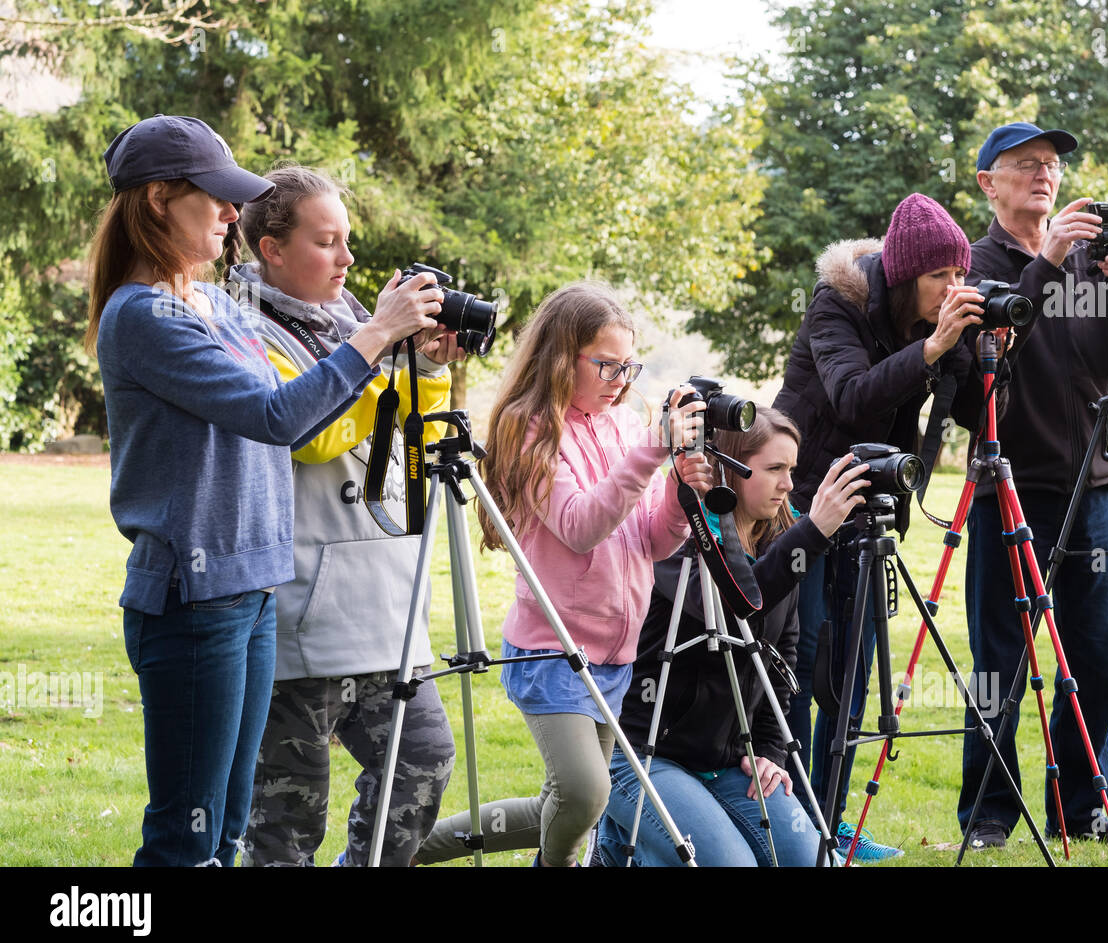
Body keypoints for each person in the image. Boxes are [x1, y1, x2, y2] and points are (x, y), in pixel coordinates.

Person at [88, 115, 441, 866]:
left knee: (228, 829)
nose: (229, 213)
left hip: (251, 591)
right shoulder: (144, 316)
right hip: (192, 597)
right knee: (185, 834)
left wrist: (400, 354)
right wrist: (374, 336)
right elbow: (279, 417)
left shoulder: (217, 306)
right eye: (214, 196)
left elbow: (315, 397)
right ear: (157, 200)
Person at [414, 282, 712, 867]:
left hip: (615, 650)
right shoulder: (530, 429)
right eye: (605, 365)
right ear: (560, 356)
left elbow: (651, 541)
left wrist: (678, 494)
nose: (620, 379)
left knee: (571, 800)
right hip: (552, 645)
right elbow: (578, 526)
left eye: (629, 366)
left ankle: (405, 848)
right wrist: (652, 454)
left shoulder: (624, 426)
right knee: (583, 792)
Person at [228, 166, 463, 866]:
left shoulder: (358, 326)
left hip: (386, 601)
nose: (348, 259)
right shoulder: (240, 328)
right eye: (326, 242)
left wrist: (428, 369)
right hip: (302, 606)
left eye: (348, 241)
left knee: (424, 764)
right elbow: (311, 435)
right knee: (285, 826)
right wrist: (379, 351)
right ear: (271, 248)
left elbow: (406, 450)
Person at [958, 122, 1108, 849]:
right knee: (1000, 667)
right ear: (989, 182)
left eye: (1050, 166)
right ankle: (988, 816)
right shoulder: (972, 265)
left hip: (1094, 490)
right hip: (1009, 488)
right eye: (1025, 166)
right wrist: (1044, 265)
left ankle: (1079, 808)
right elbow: (987, 363)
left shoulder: (1092, 262)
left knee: (1096, 669)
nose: (1044, 176)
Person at [772, 192, 992, 861]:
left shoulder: (934, 324)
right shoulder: (834, 304)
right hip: (801, 503)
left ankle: (829, 825)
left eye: (961, 277)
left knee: (852, 673)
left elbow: (980, 424)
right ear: (903, 278)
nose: (953, 289)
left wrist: (986, 355)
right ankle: (787, 828)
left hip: (867, 511)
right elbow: (854, 396)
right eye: (939, 279)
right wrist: (934, 345)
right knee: (802, 665)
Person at [596, 407, 874, 866]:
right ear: (732, 470)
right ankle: (616, 844)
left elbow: (781, 663)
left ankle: (650, 836)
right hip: (644, 755)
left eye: (792, 470)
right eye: (774, 469)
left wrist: (767, 751)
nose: (788, 484)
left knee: (809, 861)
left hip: (726, 760)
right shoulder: (682, 536)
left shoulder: (777, 542)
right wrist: (812, 534)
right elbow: (733, 610)